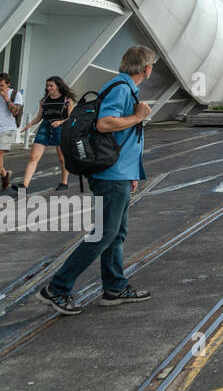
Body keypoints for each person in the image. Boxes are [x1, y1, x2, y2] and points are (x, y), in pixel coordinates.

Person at [38, 46, 156, 316]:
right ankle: (57, 288)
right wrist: (138, 116)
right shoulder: (121, 88)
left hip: (119, 174)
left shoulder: (123, 86)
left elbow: (122, 138)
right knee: (104, 235)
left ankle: (115, 287)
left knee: (115, 233)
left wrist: (132, 174)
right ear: (147, 69)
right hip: (111, 175)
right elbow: (104, 124)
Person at [14, 76, 75, 191]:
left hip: (61, 128)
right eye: (47, 86)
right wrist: (29, 124)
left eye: (51, 85)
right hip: (45, 127)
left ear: (58, 86)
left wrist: (60, 122)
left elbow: (71, 118)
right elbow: (39, 117)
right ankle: (24, 186)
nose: (48, 88)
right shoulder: (44, 100)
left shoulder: (67, 100)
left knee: (62, 158)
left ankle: (64, 182)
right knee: (33, 157)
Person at [0, 73, 24, 191]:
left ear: (8, 84)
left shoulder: (15, 94)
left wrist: (6, 99)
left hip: (7, 129)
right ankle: (4, 175)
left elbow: (15, 112)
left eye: (1, 85)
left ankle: (4, 176)